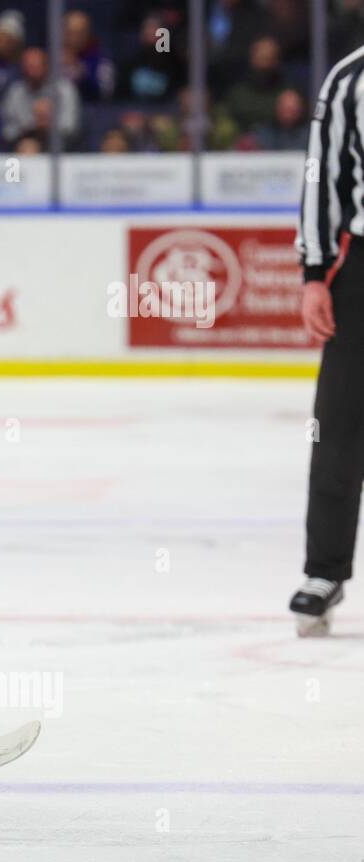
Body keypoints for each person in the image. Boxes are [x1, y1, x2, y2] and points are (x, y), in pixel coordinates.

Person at [293, 43, 364, 636]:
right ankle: (325, 571)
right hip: (363, 267)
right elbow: (324, 177)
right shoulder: (350, 78)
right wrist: (314, 274)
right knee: (339, 422)